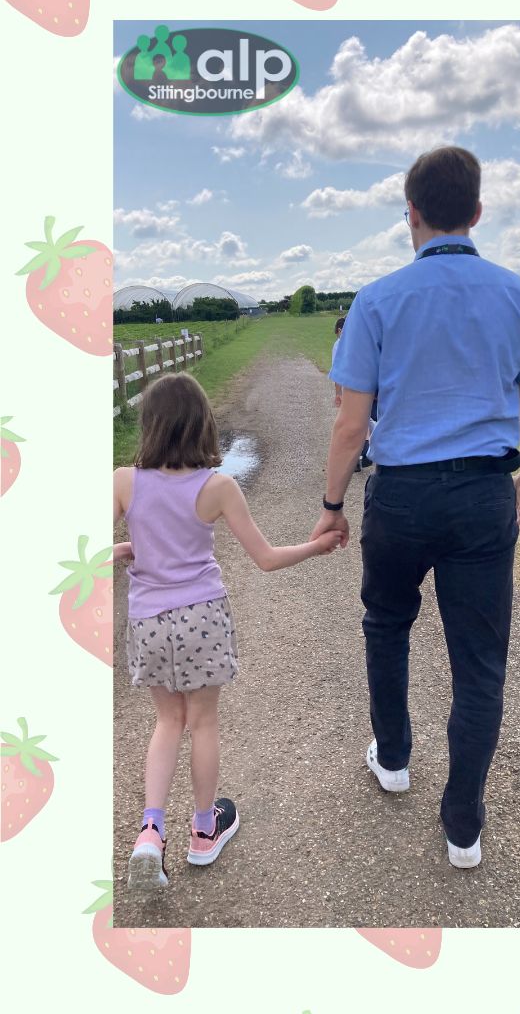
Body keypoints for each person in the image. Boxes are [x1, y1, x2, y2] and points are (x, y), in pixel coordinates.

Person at [313, 145, 520, 870]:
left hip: (402, 494)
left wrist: (332, 502)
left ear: (410, 213)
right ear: (478, 212)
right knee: (481, 664)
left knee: (386, 626)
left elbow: (351, 424)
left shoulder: (377, 301)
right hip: (483, 492)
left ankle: (395, 756)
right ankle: (463, 826)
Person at [114, 373, 343, 892]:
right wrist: (317, 545)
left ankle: (150, 831)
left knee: (167, 721)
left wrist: (124, 549)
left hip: (149, 621)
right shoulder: (217, 487)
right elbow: (265, 558)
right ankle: (203, 831)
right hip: (202, 618)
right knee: (203, 722)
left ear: (150, 424)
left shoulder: (123, 482)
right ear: (202, 424)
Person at [331, 316, 375, 469]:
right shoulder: (360, 341)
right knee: (364, 419)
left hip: (350, 387)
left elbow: (337, 371)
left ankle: (359, 457)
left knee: (352, 423)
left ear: (340, 330)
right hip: (365, 384)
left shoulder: (339, 345)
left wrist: (338, 393)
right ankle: (364, 452)